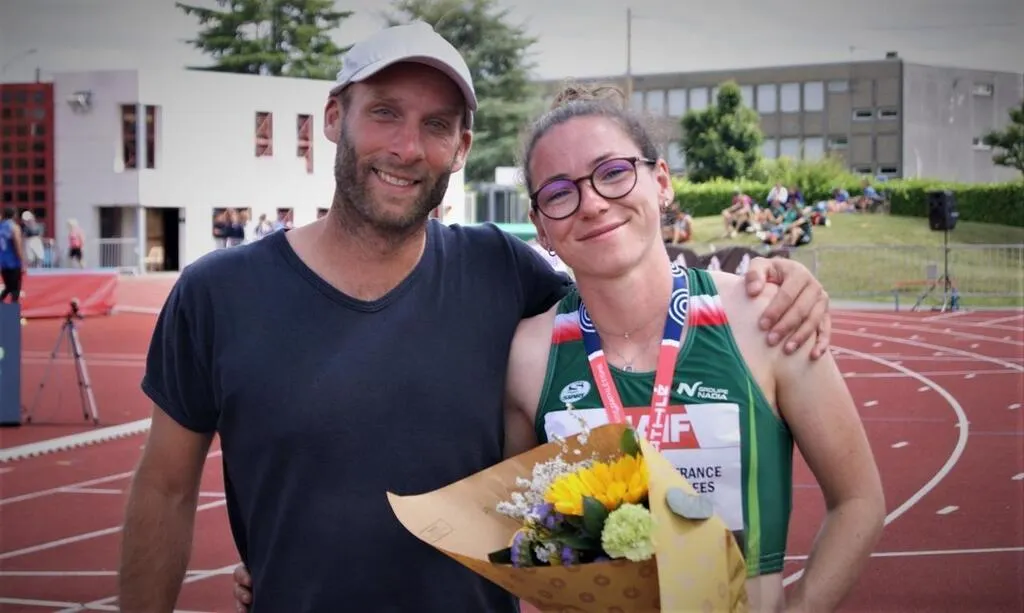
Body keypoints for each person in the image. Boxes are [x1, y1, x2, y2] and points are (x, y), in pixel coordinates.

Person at [122, 22, 832, 613]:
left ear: (461, 150)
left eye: (436, 126)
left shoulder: (504, 273)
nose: (407, 147)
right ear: (335, 116)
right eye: (385, 112)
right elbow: (164, 486)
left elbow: (626, 286)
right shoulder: (216, 293)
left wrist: (773, 277)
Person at [495, 85, 883, 611]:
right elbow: (515, 534)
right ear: (540, 226)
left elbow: (858, 501)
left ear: (661, 183)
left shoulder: (766, 319)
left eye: (612, 172)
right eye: (560, 192)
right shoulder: (527, 356)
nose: (591, 203)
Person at [0, 207, 26, 303]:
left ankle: (6, 312)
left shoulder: (1, 226)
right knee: (15, 290)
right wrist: (22, 261)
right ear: (14, 215)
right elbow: (17, 245)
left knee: (8, 288)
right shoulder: (14, 227)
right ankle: (11, 316)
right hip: (13, 262)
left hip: (3, 262)